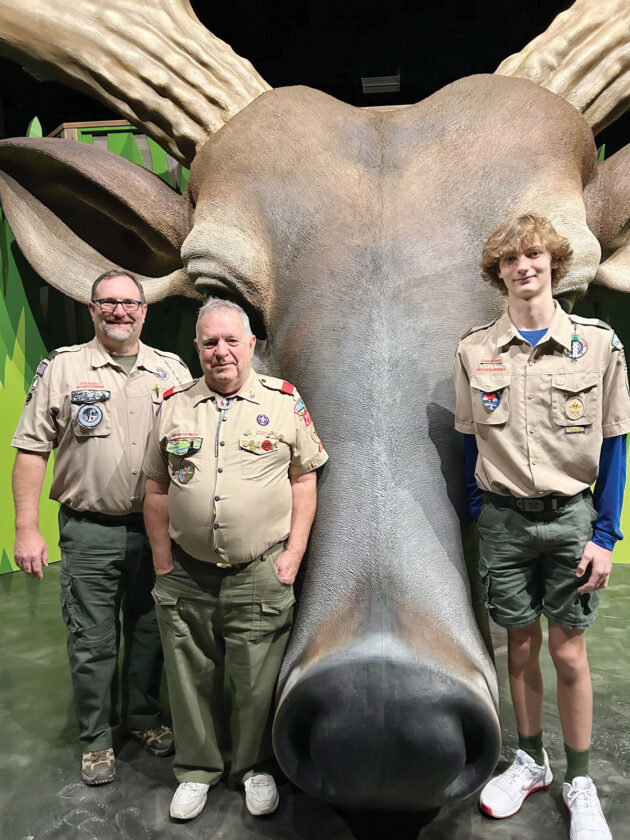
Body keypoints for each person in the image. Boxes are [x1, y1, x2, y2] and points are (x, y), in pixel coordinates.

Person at [454, 213, 630, 840]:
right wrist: (485, 514)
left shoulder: (599, 343)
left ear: (553, 263)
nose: (523, 267)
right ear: (497, 272)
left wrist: (604, 535)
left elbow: (614, 444)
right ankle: (530, 760)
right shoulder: (474, 350)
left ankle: (580, 780)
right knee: (520, 646)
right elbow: (470, 442)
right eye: (510, 260)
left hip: (570, 521)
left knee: (570, 652)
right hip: (505, 522)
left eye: (533, 255)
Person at [142, 298, 328, 821]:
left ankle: (253, 769)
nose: (220, 352)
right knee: (188, 676)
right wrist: (161, 559)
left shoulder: (285, 402)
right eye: (209, 342)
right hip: (186, 572)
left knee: (254, 680)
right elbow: (156, 488)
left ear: (251, 345)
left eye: (230, 341)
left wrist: (293, 554)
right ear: (196, 348)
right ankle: (196, 770)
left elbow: (304, 480)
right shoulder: (173, 405)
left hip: (259, 571)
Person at [11, 269, 191, 786]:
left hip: (158, 531)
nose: (119, 312)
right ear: (93, 310)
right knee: (92, 639)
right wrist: (28, 528)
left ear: (144, 311)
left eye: (129, 304)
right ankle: (95, 737)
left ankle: (141, 717)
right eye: (108, 303)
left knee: (150, 631)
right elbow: (30, 450)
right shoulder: (63, 369)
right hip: (89, 532)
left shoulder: (171, 370)